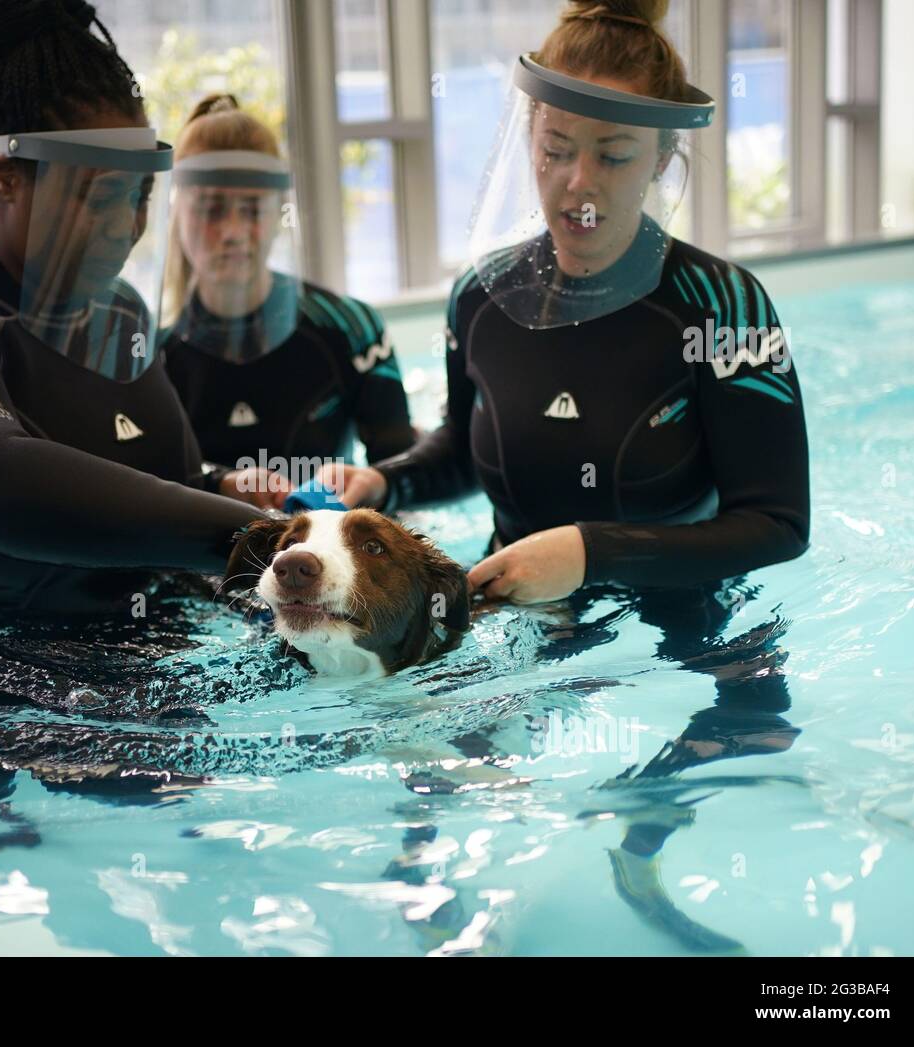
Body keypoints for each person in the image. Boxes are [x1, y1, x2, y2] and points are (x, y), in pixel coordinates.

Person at [324, 0, 808, 786]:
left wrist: (589, 552)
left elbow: (780, 524)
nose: (577, 185)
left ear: (659, 159)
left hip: (686, 612)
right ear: (529, 140)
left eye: (614, 157)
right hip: (511, 607)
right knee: (423, 773)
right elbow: (463, 445)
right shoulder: (480, 300)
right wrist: (391, 479)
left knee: (738, 758)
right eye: (555, 150)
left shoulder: (724, 305)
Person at [0, 0, 281, 614]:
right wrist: (258, 541)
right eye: (99, 194)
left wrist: (224, 489)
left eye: (140, 192)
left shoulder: (119, 317)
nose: (127, 225)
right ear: (6, 176)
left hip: (108, 669)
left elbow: (164, 490)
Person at [160, 95, 417, 492]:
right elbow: (143, 488)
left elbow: (400, 476)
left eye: (251, 209)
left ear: (279, 211)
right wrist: (221, 484)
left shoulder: (352, 329)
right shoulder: (146, 353)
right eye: (211, 209)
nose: (232, 231)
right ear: (178, 215)